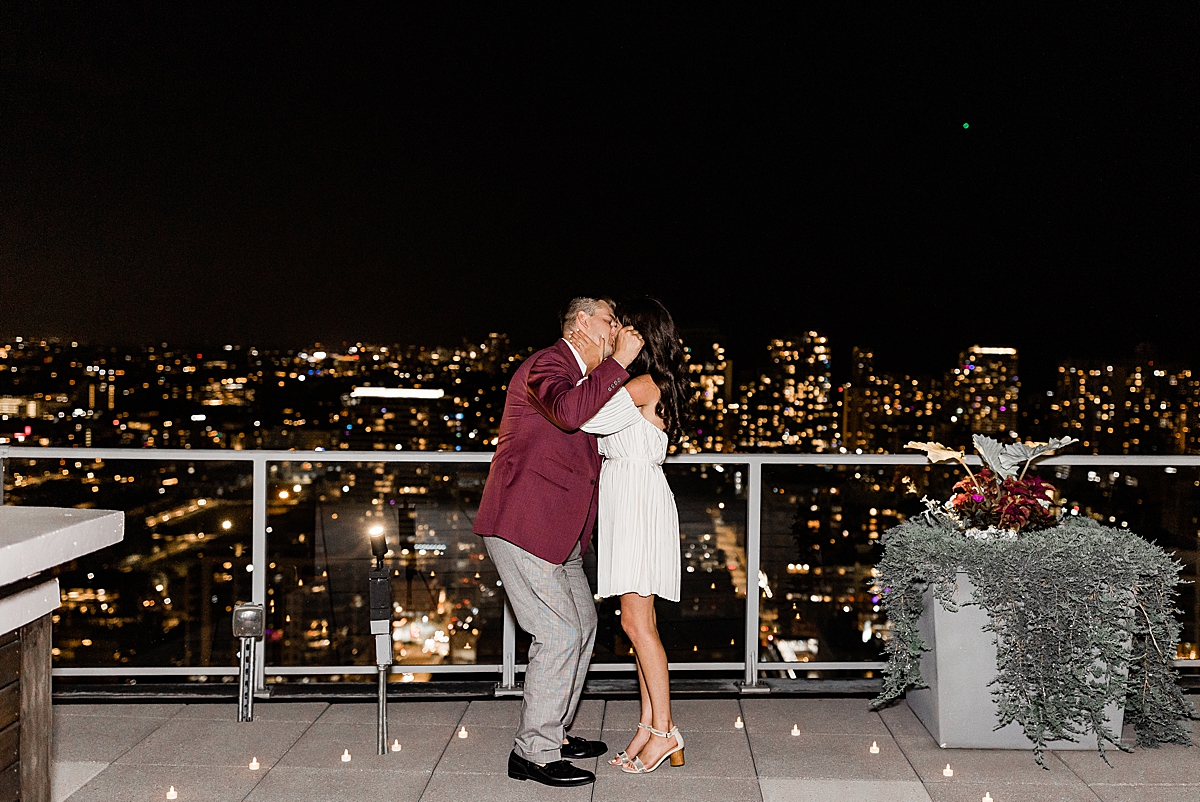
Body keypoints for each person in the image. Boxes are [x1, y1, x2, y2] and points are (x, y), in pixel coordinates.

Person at [474, 296, 644, 788]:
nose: (617, 329)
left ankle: (555, 732)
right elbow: (568, 413)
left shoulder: (582, 376)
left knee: (583, 625)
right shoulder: (548, 364)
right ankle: (533, 753)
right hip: (524, 525)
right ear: (584, 324)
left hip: (558, 534)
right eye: (611, 321)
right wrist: (619, 363)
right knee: (559, 633)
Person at [565, 296, 692, 775]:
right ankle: (648, 724)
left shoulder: (641, 383)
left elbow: (589, 417)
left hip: (637, 501)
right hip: (632, 497)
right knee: (638, 624)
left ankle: (666, 732)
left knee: (638, 626)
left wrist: (609, 360)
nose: (616, 331)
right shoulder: (647, 381)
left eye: (624, 328)